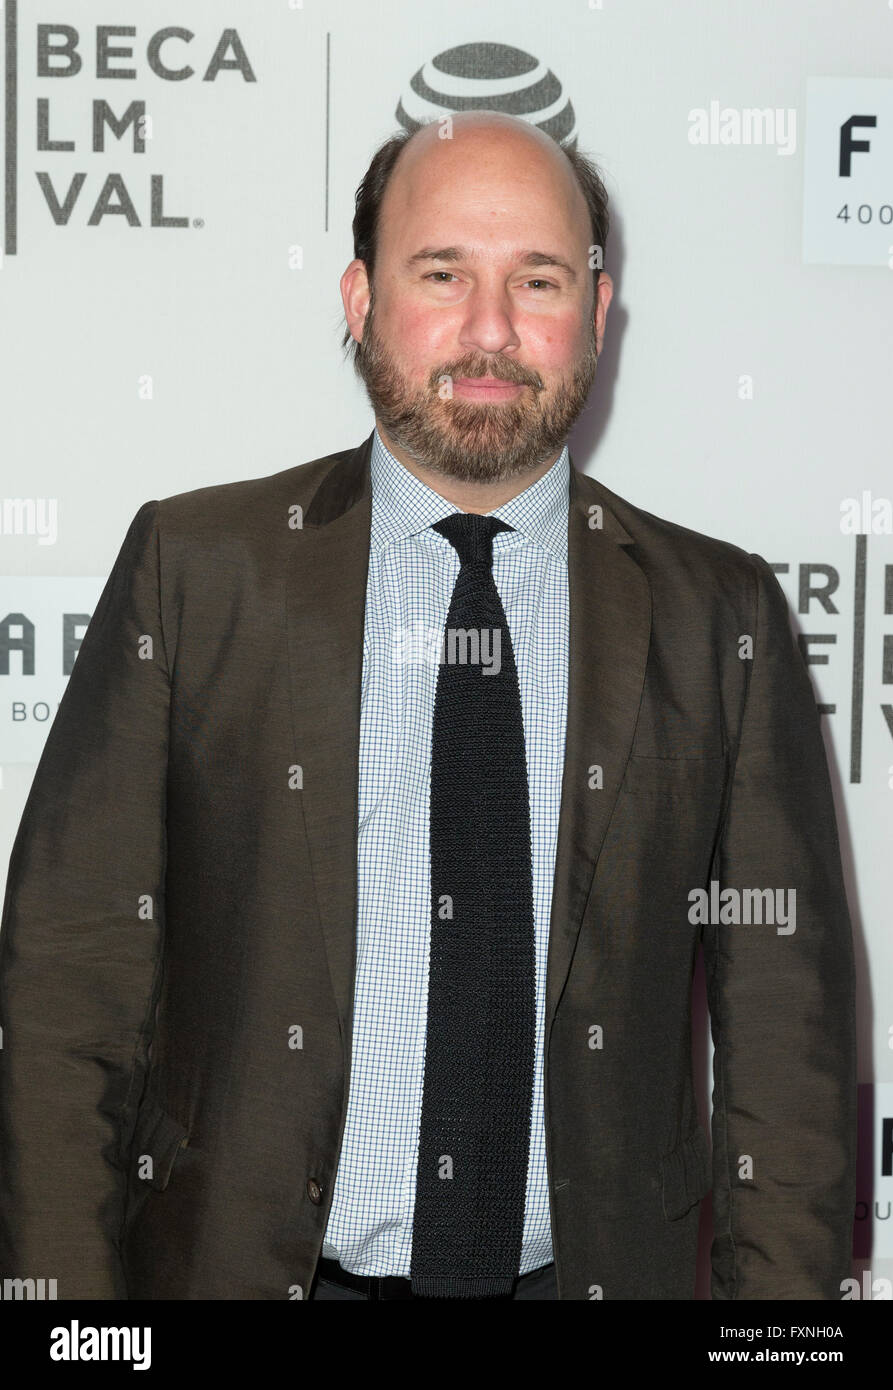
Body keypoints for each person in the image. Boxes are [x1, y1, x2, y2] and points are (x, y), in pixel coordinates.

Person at [0, 112, 856, 1301]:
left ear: (596, 316)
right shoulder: (196, 572)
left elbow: (789, 1054)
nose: (490, 331)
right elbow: (66, 997)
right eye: (441, 273)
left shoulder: (721, 617)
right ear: (359, 297)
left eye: (538, 280)